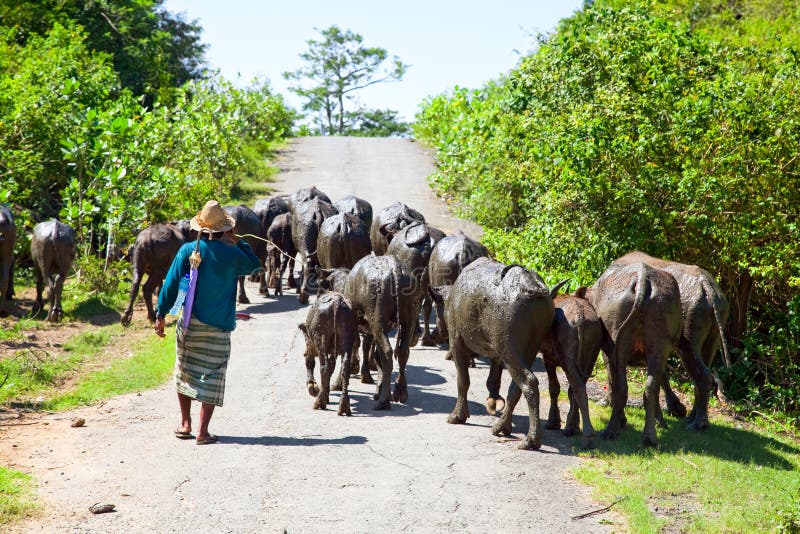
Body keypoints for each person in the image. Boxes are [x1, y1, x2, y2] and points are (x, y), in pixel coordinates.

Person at [154, 200, 261, 444]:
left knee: (185, 370)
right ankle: (202, 431)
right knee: (213, 375)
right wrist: (239, 242)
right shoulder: (233, 253)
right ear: (226, 229)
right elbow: (256, 266)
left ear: (201, 228)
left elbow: (170, 284)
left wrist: (160, 315)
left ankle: (185, 423)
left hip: (190, 323)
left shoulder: (189, 250)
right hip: (219, 326)